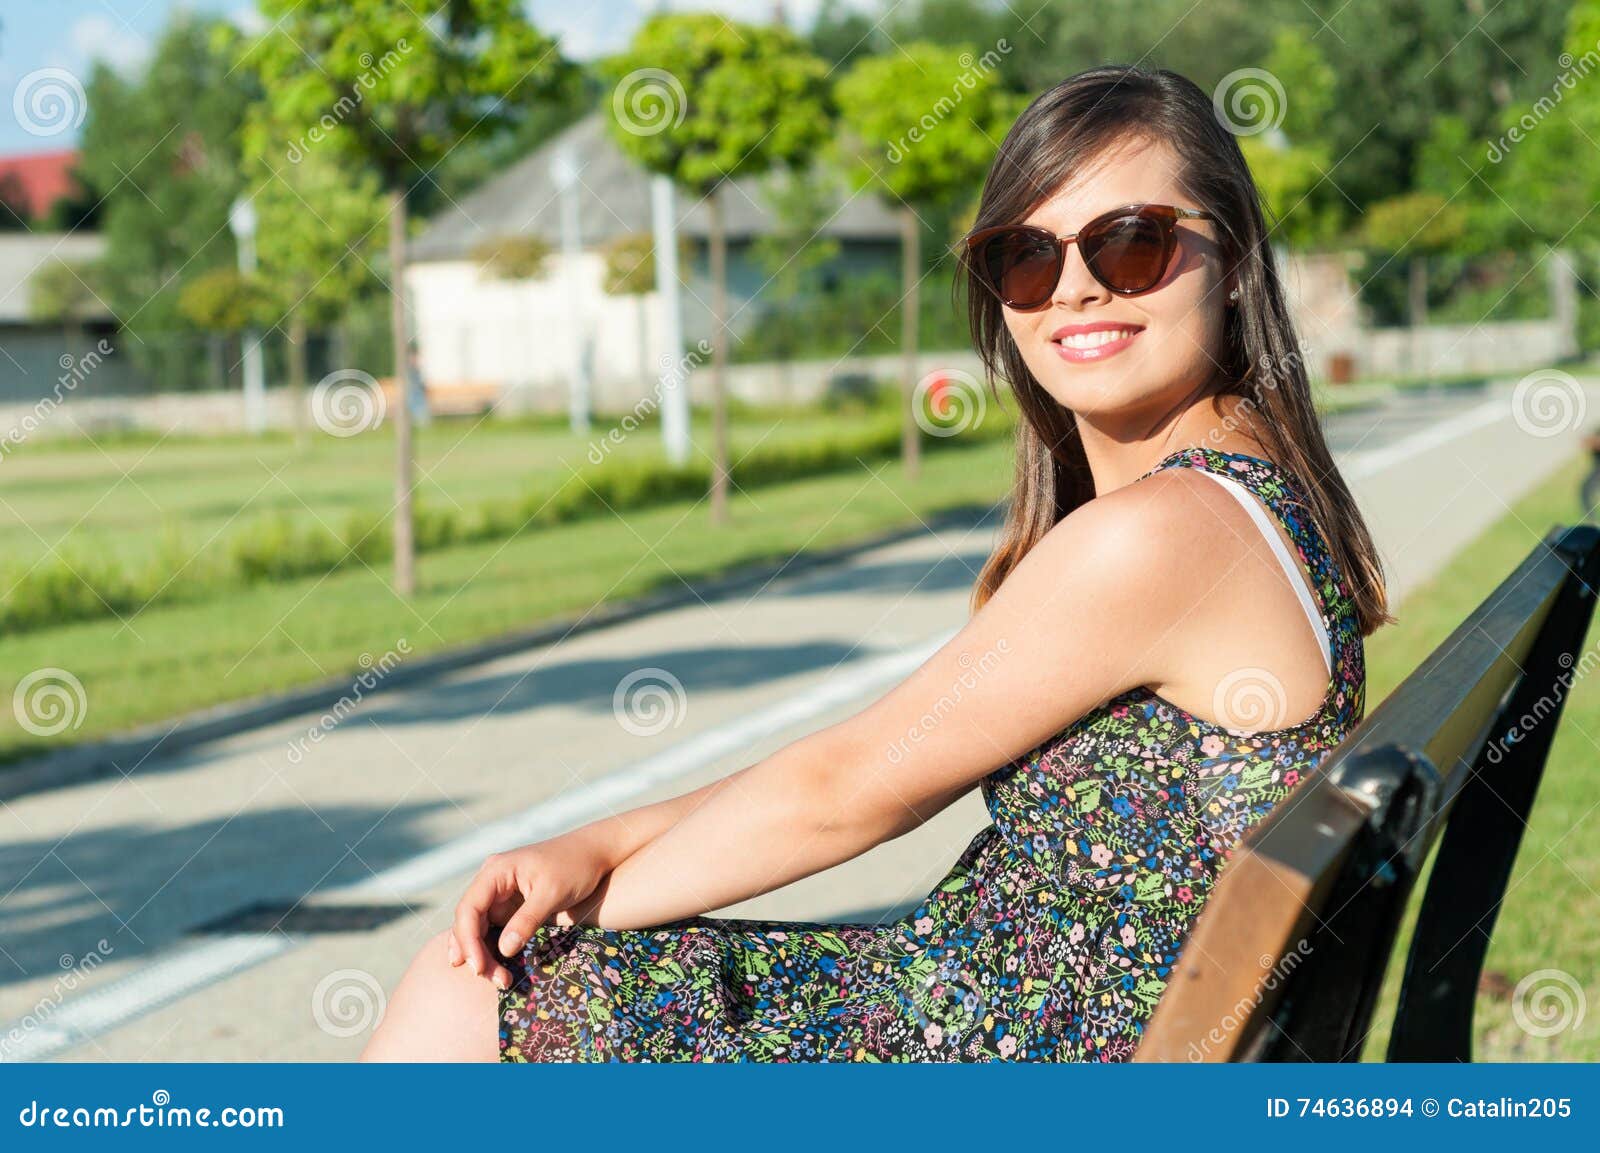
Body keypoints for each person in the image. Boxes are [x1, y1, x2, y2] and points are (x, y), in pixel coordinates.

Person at [360, 64, 1392, 1064]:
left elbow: (845, 792)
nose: (1074, 289)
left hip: (1006, 1054)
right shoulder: (1239, 488)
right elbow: (875, 753)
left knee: (471, 990)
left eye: (1132, 242)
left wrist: (568, 914)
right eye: (1025, 256)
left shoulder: (1159, 534)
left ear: (1234, 258)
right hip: (1014, 1023)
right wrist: (601, 842)